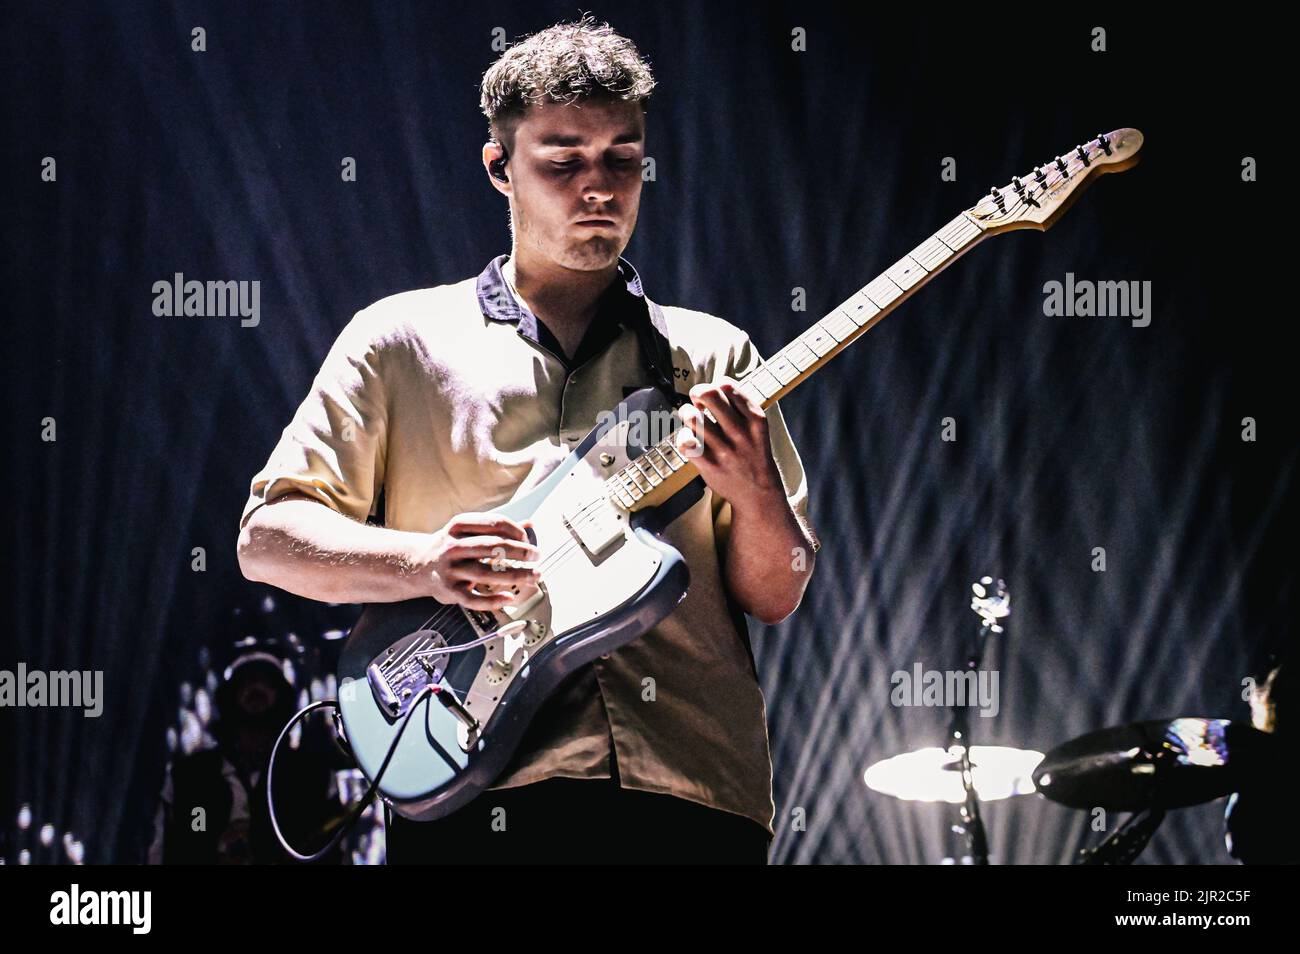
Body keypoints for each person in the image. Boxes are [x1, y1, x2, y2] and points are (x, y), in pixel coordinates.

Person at [236, 15, 818, 864]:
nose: (600, 186)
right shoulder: (399, 340)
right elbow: (267, 541)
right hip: (473, 788)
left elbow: (775, 594)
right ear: (498, 166)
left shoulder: (714, 356)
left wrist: (756, 491)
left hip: (692, 791)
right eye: (563, 159)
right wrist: (424, 563)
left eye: (623, 157)